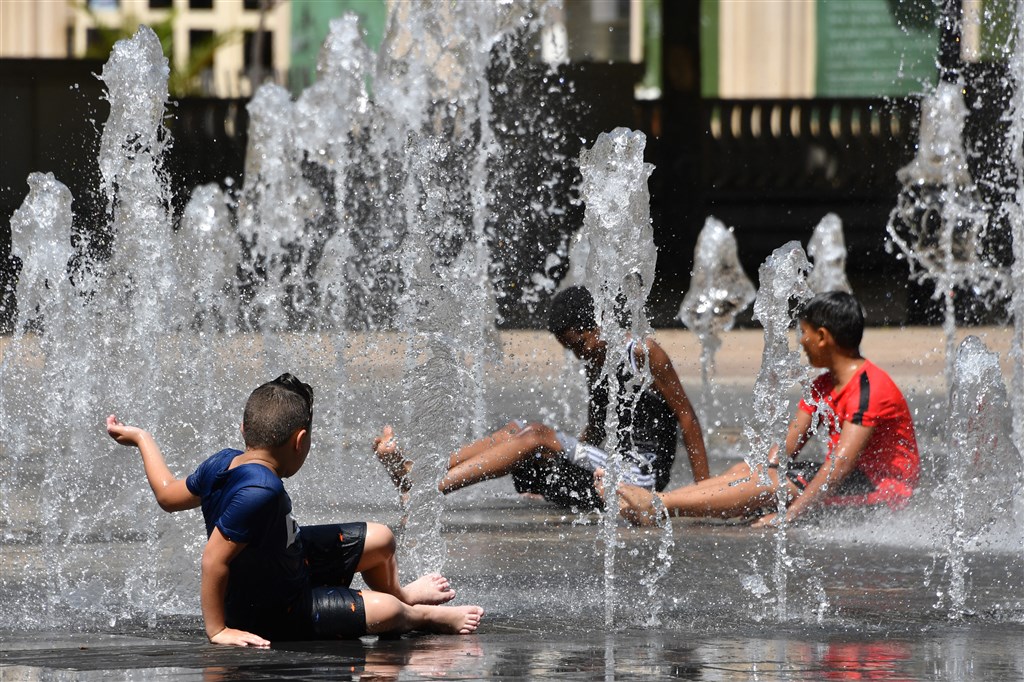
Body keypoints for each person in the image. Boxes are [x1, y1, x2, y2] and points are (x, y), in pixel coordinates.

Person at [106, 373, 484, 647]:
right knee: (387, 612)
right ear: (300, 441)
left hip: (291, 559)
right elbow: (212, 560)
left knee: (382, 539)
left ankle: (402, 592)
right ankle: (423, 615)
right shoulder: (261, 491)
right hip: (277, 608)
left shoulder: (223, 462)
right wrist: (218, 630)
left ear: (244, 430)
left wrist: (142, 438)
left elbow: (168, 495)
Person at [374, 285, 709, 510]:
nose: (579, 356)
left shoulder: (643, 353)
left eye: (579, 344)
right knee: (517, 429)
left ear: (596, 325)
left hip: (641, 477)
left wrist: (704, 493)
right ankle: (421, 471)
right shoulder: (596, 362)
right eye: (571, 350)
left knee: (534, 434)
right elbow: (594, 430)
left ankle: (425, 492)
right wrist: (559, 456)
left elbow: (688, 419)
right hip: (611, 467)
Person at [611, 290, 920, 527]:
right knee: (749, 471)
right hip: (848, 479)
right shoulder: (823, 385)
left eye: (804, 333)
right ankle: (662, 506)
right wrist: (758, 469)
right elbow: (783, 453)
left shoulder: (870, 388)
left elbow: (838, 467)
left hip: (879, 493)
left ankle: (658, 504)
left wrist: (789, 516)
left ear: (823, 337)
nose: (800, 342)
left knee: (770, 484)